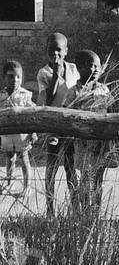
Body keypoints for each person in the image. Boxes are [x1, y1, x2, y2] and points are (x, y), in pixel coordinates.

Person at [37, 31, 79, 216]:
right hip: (53, 124)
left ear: (66, 51)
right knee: (52, 166)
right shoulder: (44, 73)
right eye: (51, 50)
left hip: (69, 124)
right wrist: (56, 72)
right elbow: (49, 97)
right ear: (46, 51)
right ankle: (49, 208)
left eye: (59, 50)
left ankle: (76, 207)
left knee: (70, 166)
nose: (55, 54)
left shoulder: (74, 69)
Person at [64, 49, 111, 210]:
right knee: (85, 176)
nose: (97, 69)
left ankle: (96, 209)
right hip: (83, 142)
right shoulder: (74, 91)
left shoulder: (104, 89)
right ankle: (85, 209)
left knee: (98, 177)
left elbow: (111, 110)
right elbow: (66, 113)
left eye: (98, 66)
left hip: (100, 142)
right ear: (80, 68)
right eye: (92, 66)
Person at [0, 60, 36, 196]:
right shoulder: (1, 96)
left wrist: (33, 132)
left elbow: (33, 113)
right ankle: (9, 183)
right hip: (7, 136)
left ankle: (27, 187)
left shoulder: (25, 95)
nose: (14, 80)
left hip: (22, 135)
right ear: (4, 78)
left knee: (24, 159)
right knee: (9, 159)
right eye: (10, 76)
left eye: (18, 77)